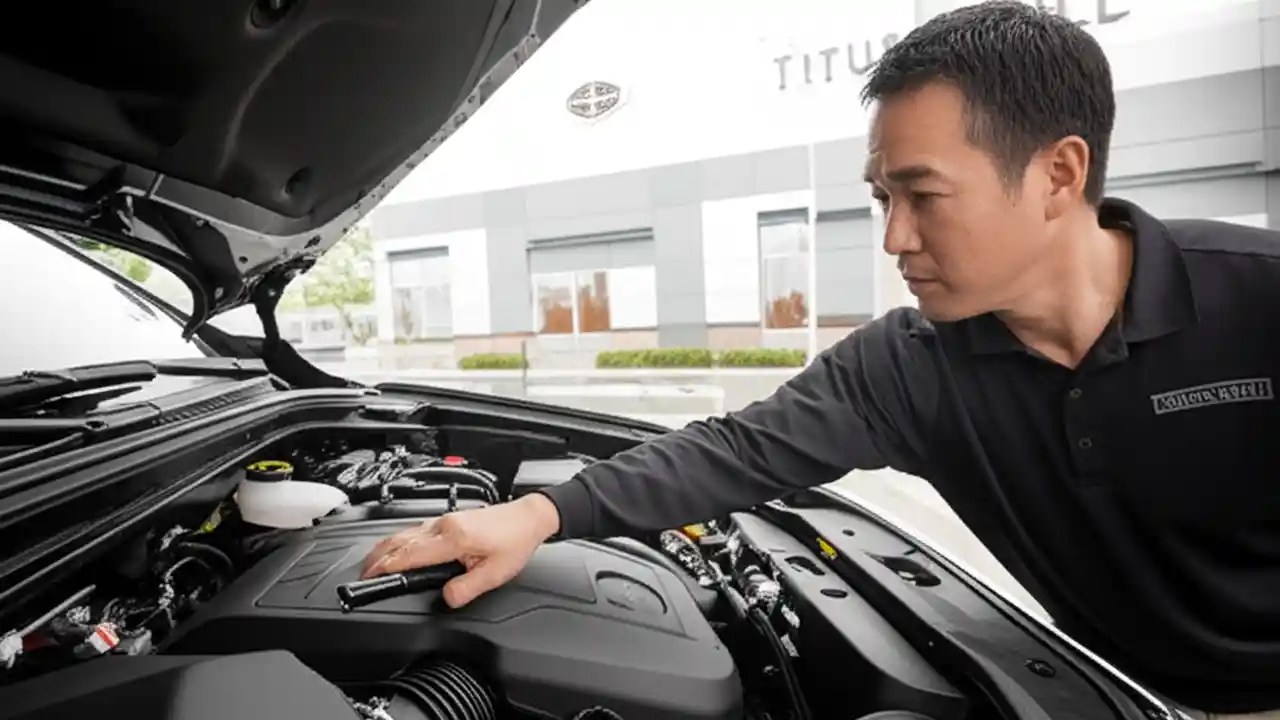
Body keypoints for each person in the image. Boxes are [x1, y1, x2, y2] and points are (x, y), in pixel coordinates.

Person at [361, 2, 1280, 717]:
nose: (892, 236)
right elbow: (731, 450)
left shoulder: (1257, 302)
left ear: (1060, 174)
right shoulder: (911, 367)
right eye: (882, 194)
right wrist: (538, 514)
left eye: (922, 194)